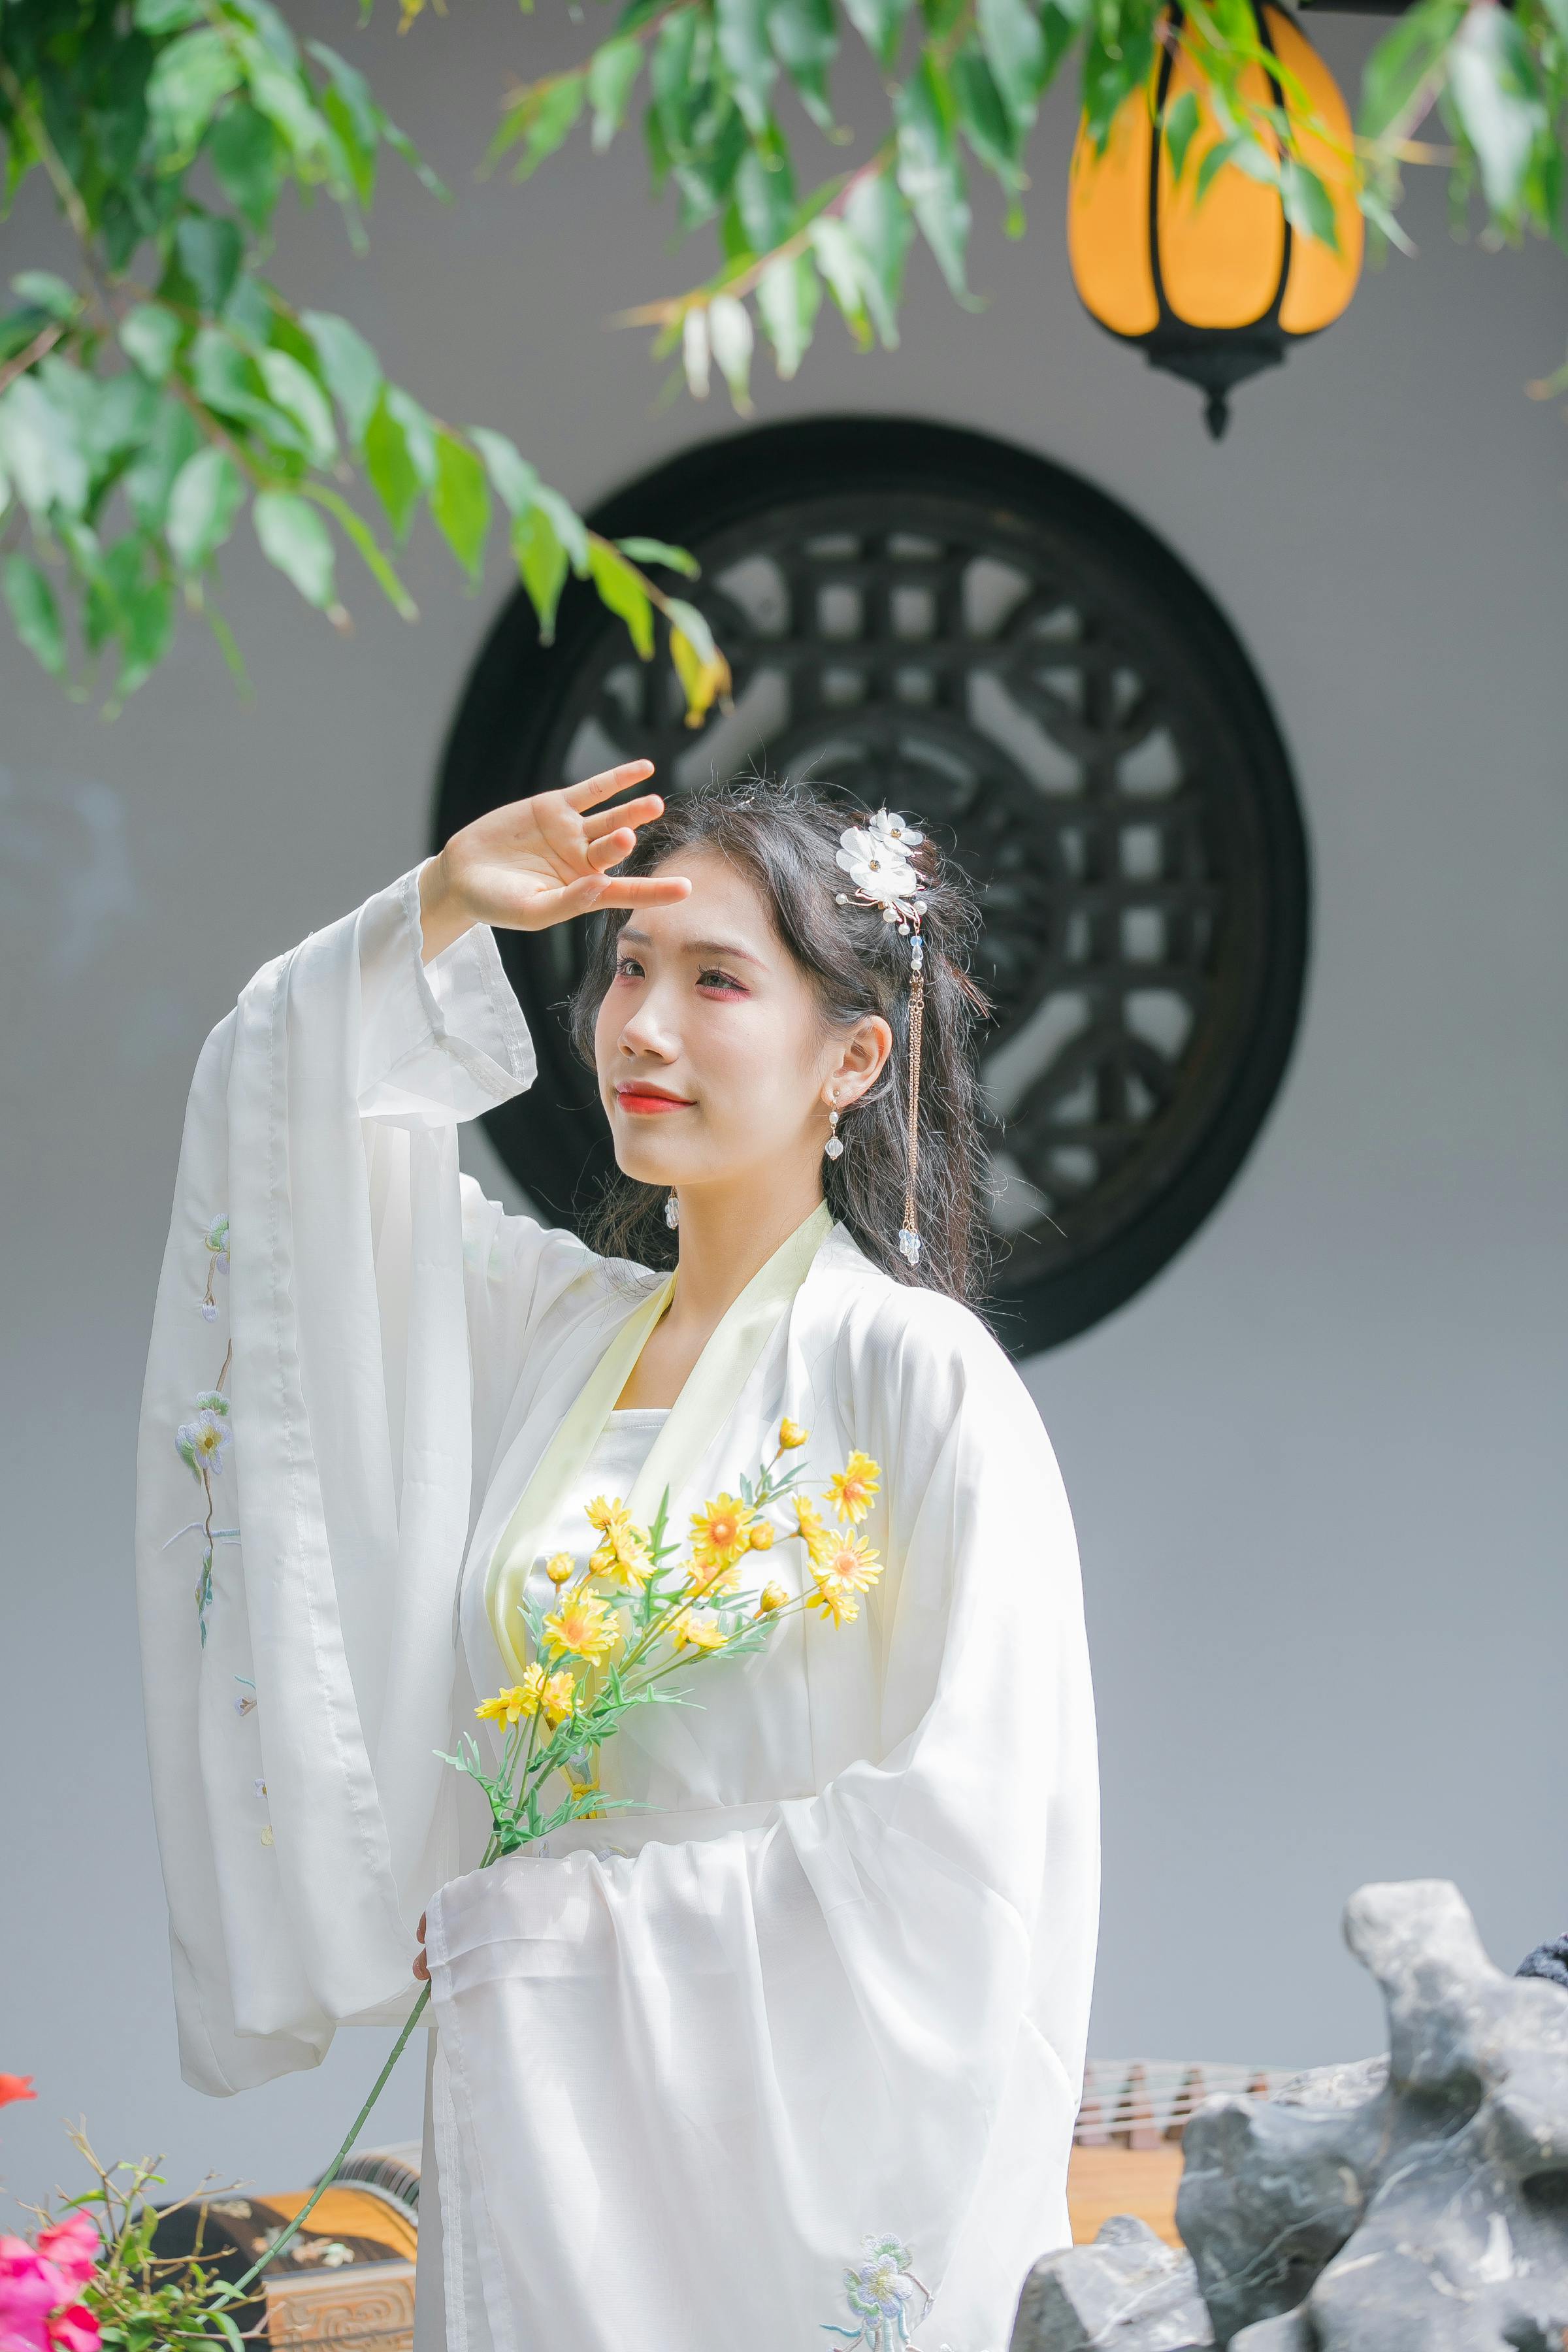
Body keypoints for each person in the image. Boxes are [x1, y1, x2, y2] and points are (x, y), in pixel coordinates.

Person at [135, 764, 1100, 2352]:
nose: (642, 1028)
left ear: (853, 1057)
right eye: (628, 970)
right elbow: (285, 1142)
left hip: (775, 2154)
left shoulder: (916, 1379)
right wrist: (442, 903)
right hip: (540, 2126)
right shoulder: (548, 1335)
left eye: (717, 980)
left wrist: (566, 1939)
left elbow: (970, 1838)